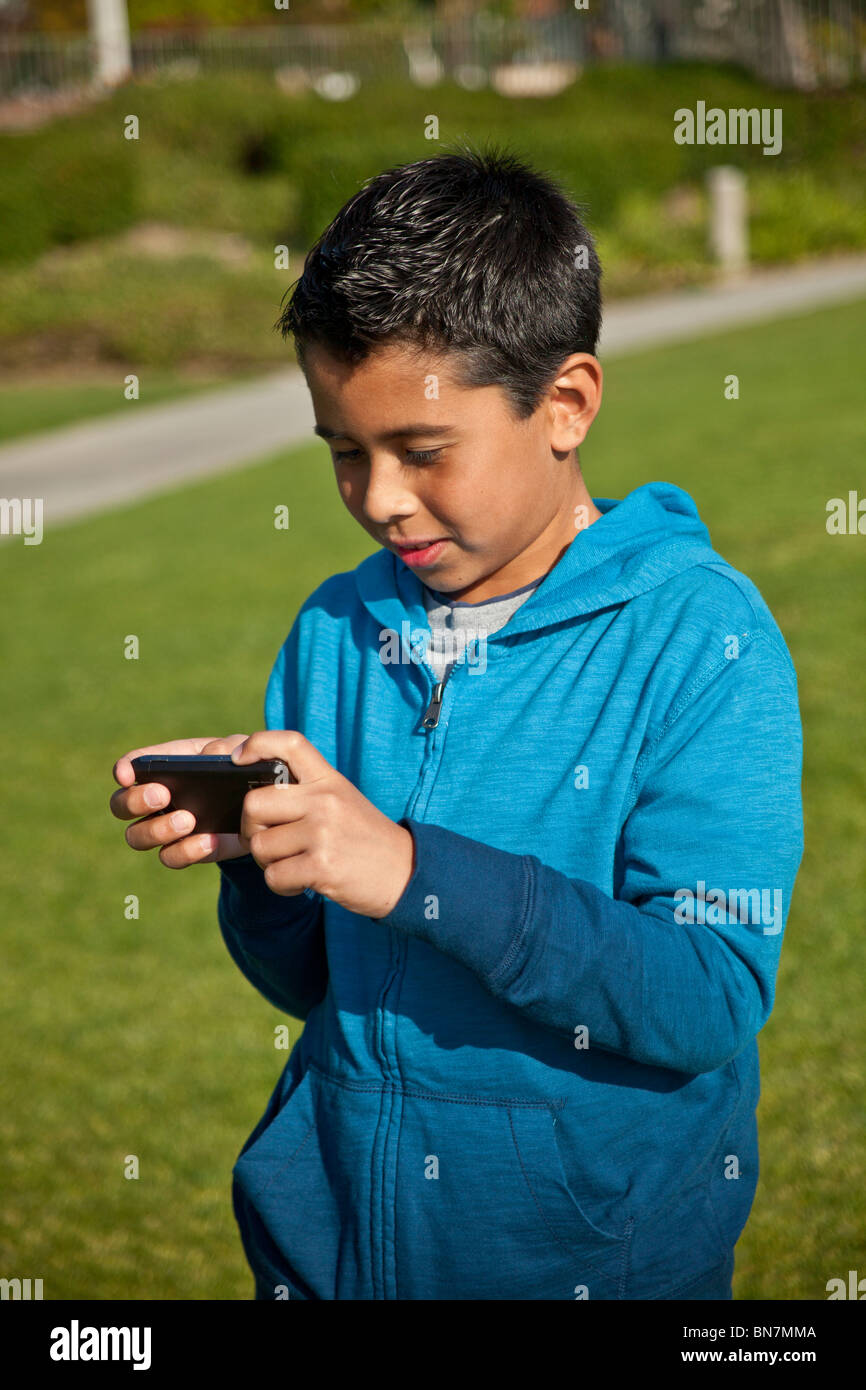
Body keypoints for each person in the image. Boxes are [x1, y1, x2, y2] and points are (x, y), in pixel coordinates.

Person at [110, 146, 804, 1300]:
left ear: (565, 405)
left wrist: (409, 870)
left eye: (421, 452)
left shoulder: (698, 638)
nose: (378, 497)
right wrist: (265, 870)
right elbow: (320, 987)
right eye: (343, 452)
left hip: (583, 1261)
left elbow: (707, 991)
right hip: (331, 1252)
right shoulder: (333, 631)